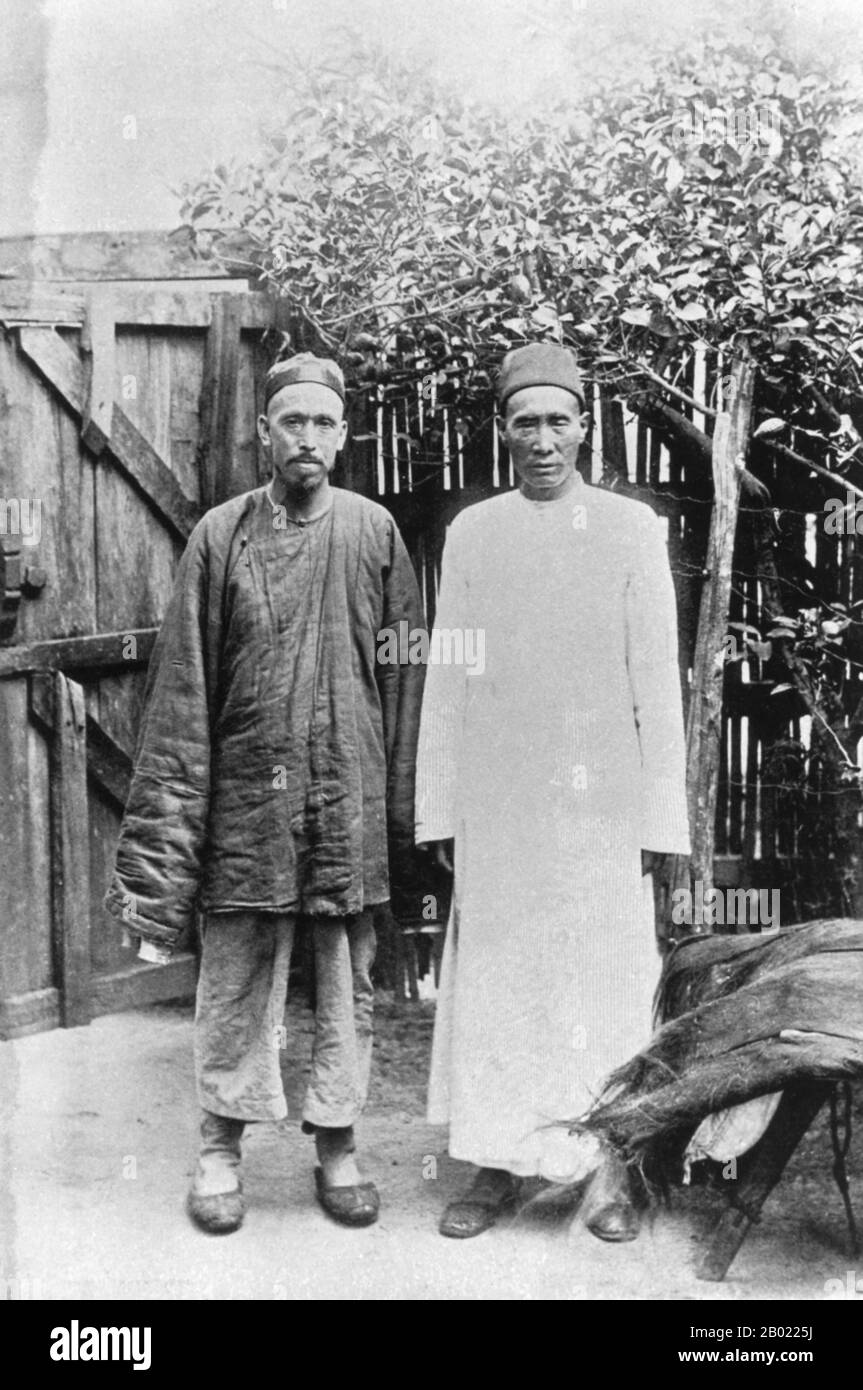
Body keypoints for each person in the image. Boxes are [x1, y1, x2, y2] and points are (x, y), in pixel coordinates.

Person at [107, 353, 425, 1234]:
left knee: (340, 981)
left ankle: (338, 1143)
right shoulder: (220, 536)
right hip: (248, 804)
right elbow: (181, 693)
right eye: (294, 422)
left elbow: (403, 678)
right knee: (237, 980)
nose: (309, 439)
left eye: (324, 423)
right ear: (264, 433)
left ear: (345, 436)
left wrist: (398, 810)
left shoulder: (373, 533)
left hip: (345, 798)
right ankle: (218, 1146)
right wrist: (172, 840)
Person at [415, 342, 691, 1241]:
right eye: (523, 423)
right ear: (503, 432)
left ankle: (610, 1167)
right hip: (500, 797)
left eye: (556, 422)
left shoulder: (629, 528)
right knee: (503, 975)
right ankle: (497, 1161)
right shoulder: (474, 533)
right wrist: (438, 807)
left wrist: (659, 815)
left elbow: (657, 679)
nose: (541, 440)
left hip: (601, 799)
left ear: (585, 427)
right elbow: (448, 673)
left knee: (603, 976)